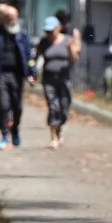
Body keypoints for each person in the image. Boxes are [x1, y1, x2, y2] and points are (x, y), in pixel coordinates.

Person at [0, 4, 36, 150]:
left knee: (17, 108)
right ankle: (5, 135)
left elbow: (29, 55)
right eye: (10, 19)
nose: (13, 21)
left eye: (15, 18)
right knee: (3, 105)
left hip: (17, 75)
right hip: (0, 75)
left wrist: (32, 73)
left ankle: (15, 128)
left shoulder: (22, 34)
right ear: (4, 19)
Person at [35, 15, 77, 149]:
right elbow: (34, 59)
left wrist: (71, 49)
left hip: (64, 79)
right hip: (48, 80)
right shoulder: (43, 42)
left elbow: (74, 59)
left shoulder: (67, 41)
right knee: (53, 107)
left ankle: (60, 130)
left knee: (64, 107)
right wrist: (32, 74)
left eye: (51, 31)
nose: (48, 34)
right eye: (46, 32)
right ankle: (53, 138)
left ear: (58, 29)